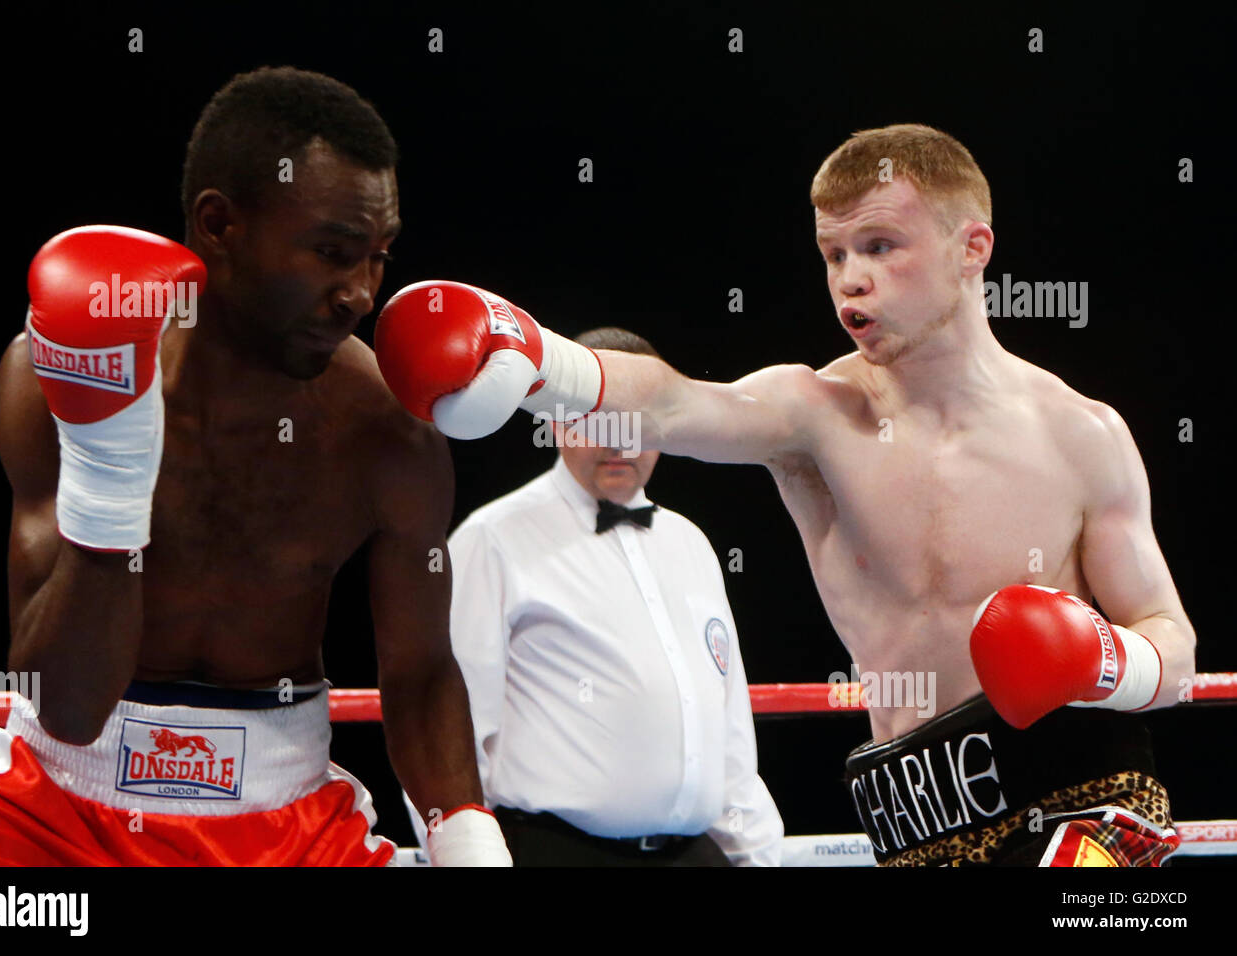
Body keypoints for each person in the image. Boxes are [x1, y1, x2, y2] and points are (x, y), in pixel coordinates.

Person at [372, 124, 1196, 867]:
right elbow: (672, 402)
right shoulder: (817, 417)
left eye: (880, 247)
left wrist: (1103, 658)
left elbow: (1176, 651)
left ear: (971, 247)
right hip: (920, 828)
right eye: (835, 256)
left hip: (1087, 810)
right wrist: (542, 362)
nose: (853, 282)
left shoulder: (1082, 435)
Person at [0, 67, 509, 866]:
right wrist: (113, 470)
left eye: (379, 256)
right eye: (332, 253)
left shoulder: (386, 428)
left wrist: (470, 839)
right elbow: (63, 706)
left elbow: (418, 669)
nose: (361, 294)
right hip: (49, 811)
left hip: (289, 825)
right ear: (218, 223)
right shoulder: (55, 373)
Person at [407, 328, 783, 866]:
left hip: (696, 854)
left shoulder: (692, 545)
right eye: (599, 417)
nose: (620, 441)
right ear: (557, 415)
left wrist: (757, 856)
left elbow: (727, 733)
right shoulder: (492, 540)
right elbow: (447, 728)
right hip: (555, 850)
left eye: (637, 420)